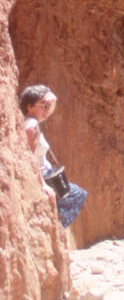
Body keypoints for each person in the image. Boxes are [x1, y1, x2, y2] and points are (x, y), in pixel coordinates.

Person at [20, 84, 87, 228]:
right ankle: (57, 226)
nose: (47, 110)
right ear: (29, 107)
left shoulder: (30, 123)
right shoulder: (31, 126)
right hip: (44, 176)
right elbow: (31, 159)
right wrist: (42, 184)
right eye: (43, 105)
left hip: (45, 174)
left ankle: (55, 225)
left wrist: (47, 98)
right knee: (78, 194)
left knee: (77, 193)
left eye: (48, 106)